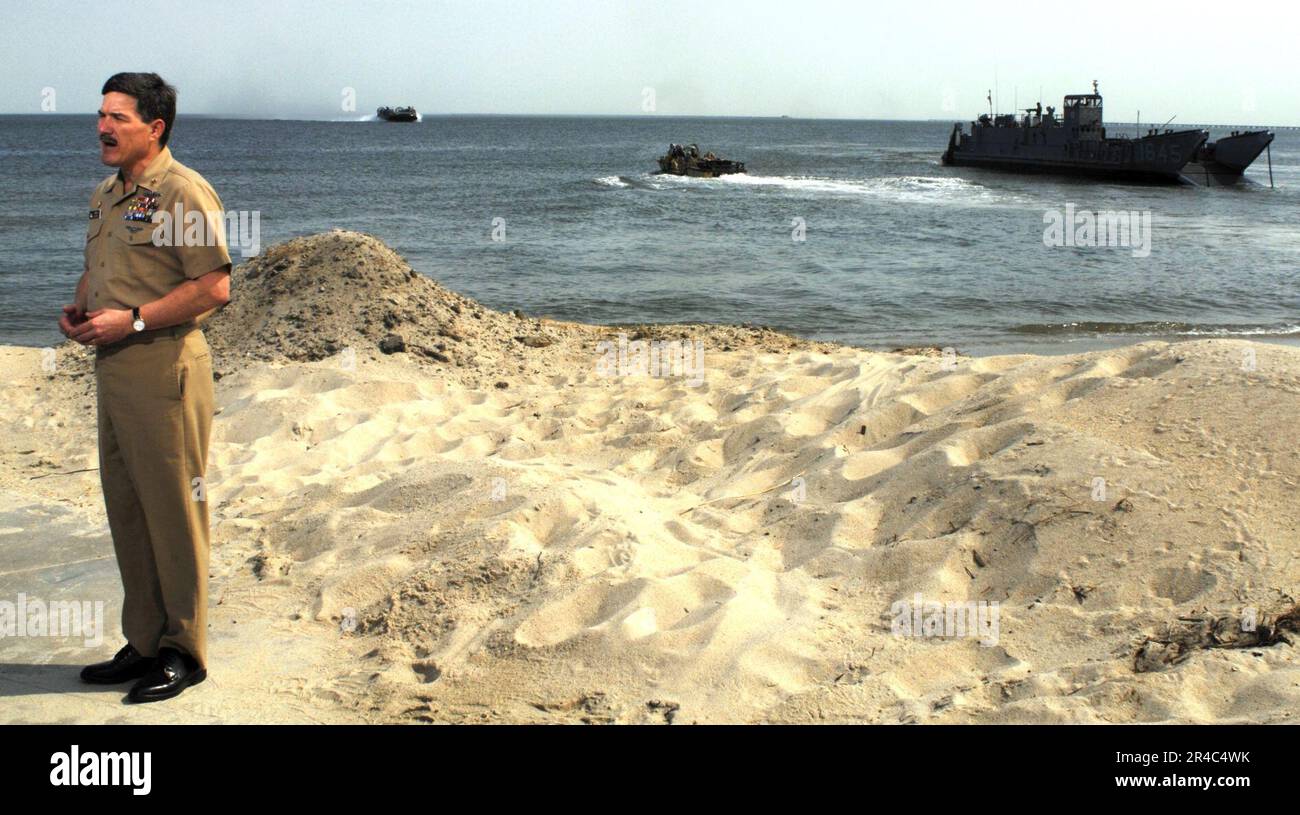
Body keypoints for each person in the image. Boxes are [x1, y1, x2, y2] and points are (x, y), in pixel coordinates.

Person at [62, 72, 231, 703]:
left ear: (154, 128)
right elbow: (101, 266)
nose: (102, 128)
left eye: (118, 118)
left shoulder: (183, 192)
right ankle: (145, 639)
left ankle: (183, 651)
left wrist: (131, 320)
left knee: (174, 511)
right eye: (101, 115)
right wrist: (80, 306)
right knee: (128, 509)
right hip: (114, 371)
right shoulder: (107, 193)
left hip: (165, 370)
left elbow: (214, 286)